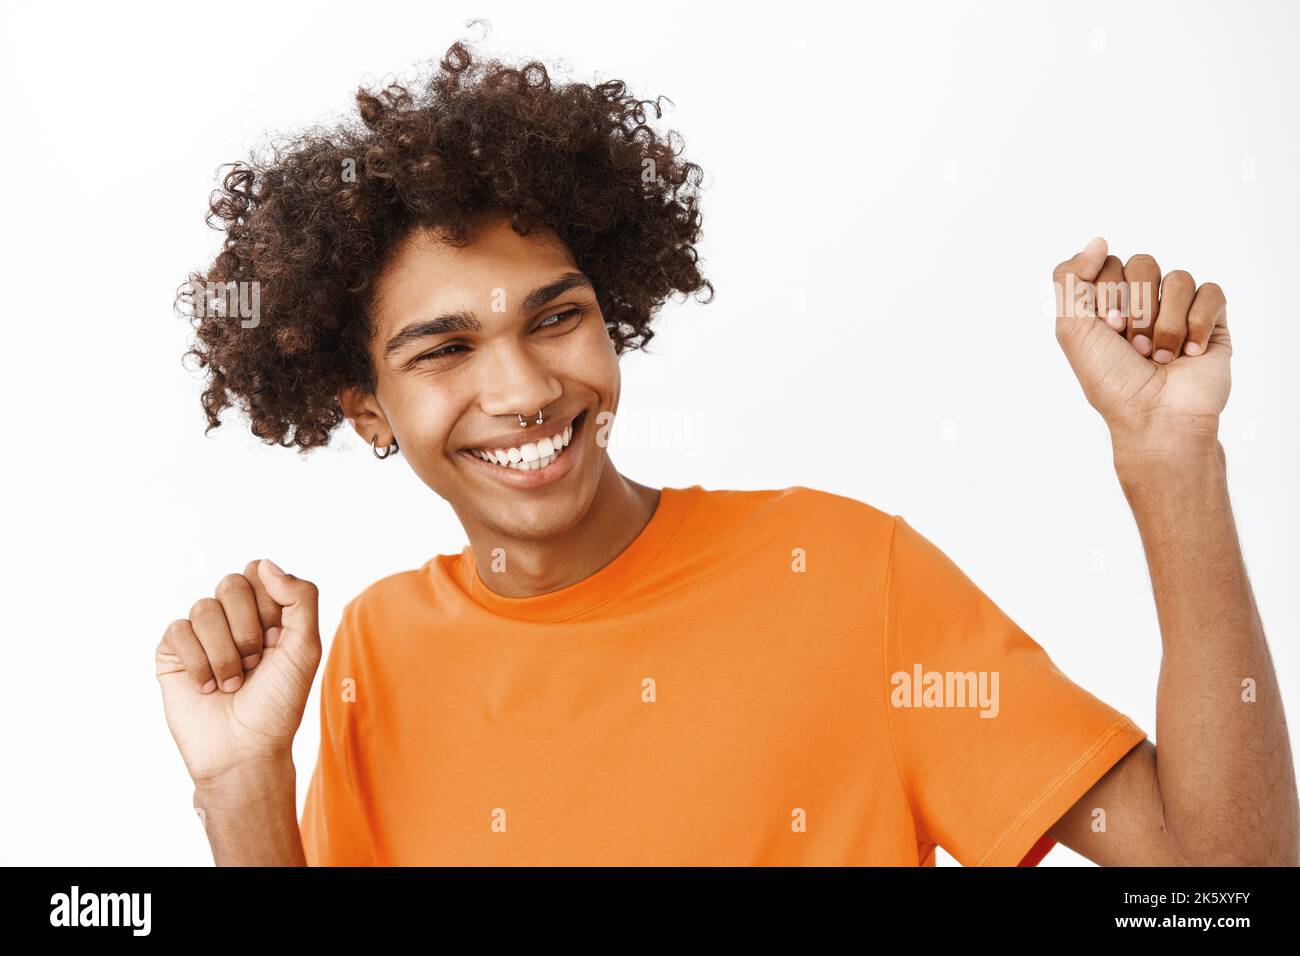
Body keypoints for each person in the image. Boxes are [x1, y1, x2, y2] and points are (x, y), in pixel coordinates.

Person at [155, 39, 1297, 866]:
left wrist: (1168, 455)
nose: (524, 388)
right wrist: (242, 785)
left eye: (555, 316)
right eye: (446, 348)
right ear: (364, 405)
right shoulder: (377, 651)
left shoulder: (851, 576)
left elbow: (1222, 876)